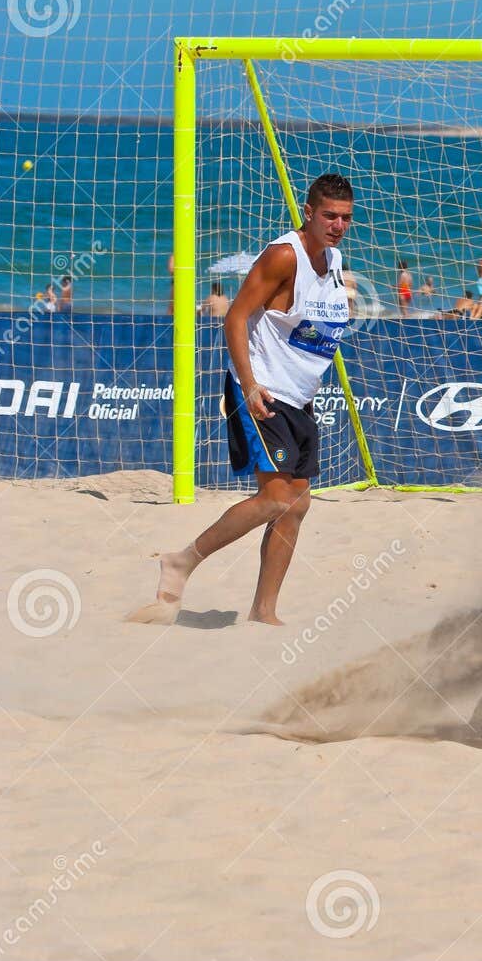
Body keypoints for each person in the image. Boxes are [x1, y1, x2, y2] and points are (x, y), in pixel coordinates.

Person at [132, 174, 357, 626]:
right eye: (329, 215)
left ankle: (263, 612)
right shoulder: (282, 256)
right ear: (309, 213)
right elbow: (234, 317)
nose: (337, 225)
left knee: (298, 505)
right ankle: (182, 561)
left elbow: (304, 326)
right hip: (261, 389)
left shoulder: (331, 259)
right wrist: (251, 384)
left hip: (300, 394)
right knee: (276, 498)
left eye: (346, 217)